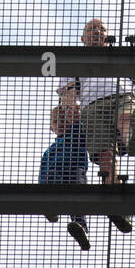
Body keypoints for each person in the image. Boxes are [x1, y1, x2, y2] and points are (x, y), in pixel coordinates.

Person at [63, 17, 135, 234]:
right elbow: (67, 90)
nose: (97, 31)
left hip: (123, 95)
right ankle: (114, 203)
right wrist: (69, 107)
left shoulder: (121, 54)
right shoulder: (74, 61)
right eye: (91, 29)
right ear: (83, 38)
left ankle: (128, 141)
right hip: (92, 107)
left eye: (101, 29)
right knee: (106, 156)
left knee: (125, 118)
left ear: (107, 35)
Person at [39, 83, 90, 251]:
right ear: (51, 128)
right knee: (51, 177)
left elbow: (78, 117)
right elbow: (43, 171)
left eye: (63, 119)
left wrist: (68, 104)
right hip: (57, 172)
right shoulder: (50, 151)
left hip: (75, 168)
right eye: (56, 121)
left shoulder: (76, 132)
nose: (60, 123)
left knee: (78, 195)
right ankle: (51, 206)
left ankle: (80, 227)